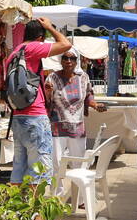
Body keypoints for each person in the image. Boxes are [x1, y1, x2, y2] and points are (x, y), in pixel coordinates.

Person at [4, 17, 72, 220]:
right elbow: (65, 44)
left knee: (19, 166)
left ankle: (15, 215)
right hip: (35, 116)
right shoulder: (33, 48)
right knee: (41, 168)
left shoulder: (13, 54)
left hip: (17, 118)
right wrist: (51, 26)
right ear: (40, 37)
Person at [44, 49, 102, 183]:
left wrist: (95, 105)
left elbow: (88, 96)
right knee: (56, 164)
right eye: (65, 58)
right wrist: (47, 92)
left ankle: (81, 198)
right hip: (57, 128)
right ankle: (56, 197)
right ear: (61, 60)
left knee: (80, 163)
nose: (68, 61)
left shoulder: (83, 77)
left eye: (72, 58)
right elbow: (46, 101)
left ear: (77, 61)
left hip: (77, 127)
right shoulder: (52, 78)